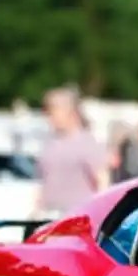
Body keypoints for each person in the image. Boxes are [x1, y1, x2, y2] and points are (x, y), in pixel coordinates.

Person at [34, 86, 108, 219]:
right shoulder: (50, 144)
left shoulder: (87, 142)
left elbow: (102, 180)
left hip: (77, 217)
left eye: (54, 110)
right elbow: (44, 181)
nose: (50, 116)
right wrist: (36, 211)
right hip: (49, 215)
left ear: (71, 112)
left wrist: (101, 215)